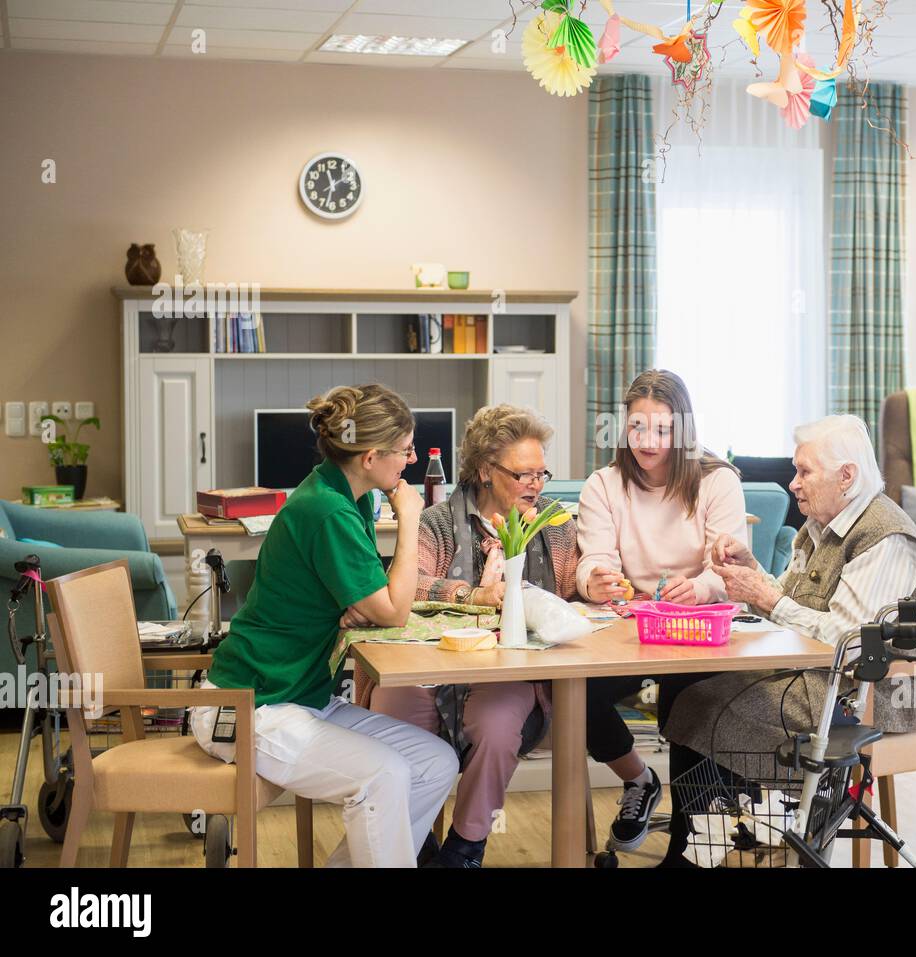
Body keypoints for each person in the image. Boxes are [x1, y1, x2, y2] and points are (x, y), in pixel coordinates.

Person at [190, 383, 458, 868]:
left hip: (302, 698)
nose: (413, 460)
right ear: (371, 456)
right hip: (246, 707)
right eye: (404, 450)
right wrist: (411, 519)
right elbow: (394, 611)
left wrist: (368, 603)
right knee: (384, 775)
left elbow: (377, 601)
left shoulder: (344, 496)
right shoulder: (327, 509)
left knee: (435, 763)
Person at [660, 414, 916, 865]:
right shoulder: (820, 527)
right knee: (688, 684)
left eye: (804, 471)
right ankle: (723, 839)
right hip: (819, 678)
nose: (793, 484)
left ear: (846, 476)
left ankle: (732, 840)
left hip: (870, 694)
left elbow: (850, 642)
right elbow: (791, 599)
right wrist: (752, 572)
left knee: (705, 701)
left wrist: (767, 598)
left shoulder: (885, 537)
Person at [355, 404, 577, 867]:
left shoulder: (553, 523)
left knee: (496, 728)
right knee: (395, 714)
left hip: (511, 673)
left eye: (542, 473)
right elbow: (408, 585)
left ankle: (465, 847)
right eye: (523, 474)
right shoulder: (438, 522)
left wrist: (595, 578)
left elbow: (574, 582)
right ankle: (413, 842)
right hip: (428, 668)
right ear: (485, 470)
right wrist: (472, 593)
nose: (536, 485)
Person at [576, 369, 749, 856]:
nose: (647, 441)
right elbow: (595, 558)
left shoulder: (718, 482)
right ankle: (639, 781)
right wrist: (595, 579)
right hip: (634, 633)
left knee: (687, 697)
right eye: (636, 428)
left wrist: (698, 587)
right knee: (572, 691)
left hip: (702, 636)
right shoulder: (604, 485)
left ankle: (690, 847)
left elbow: (728, 570)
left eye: (662, 429)